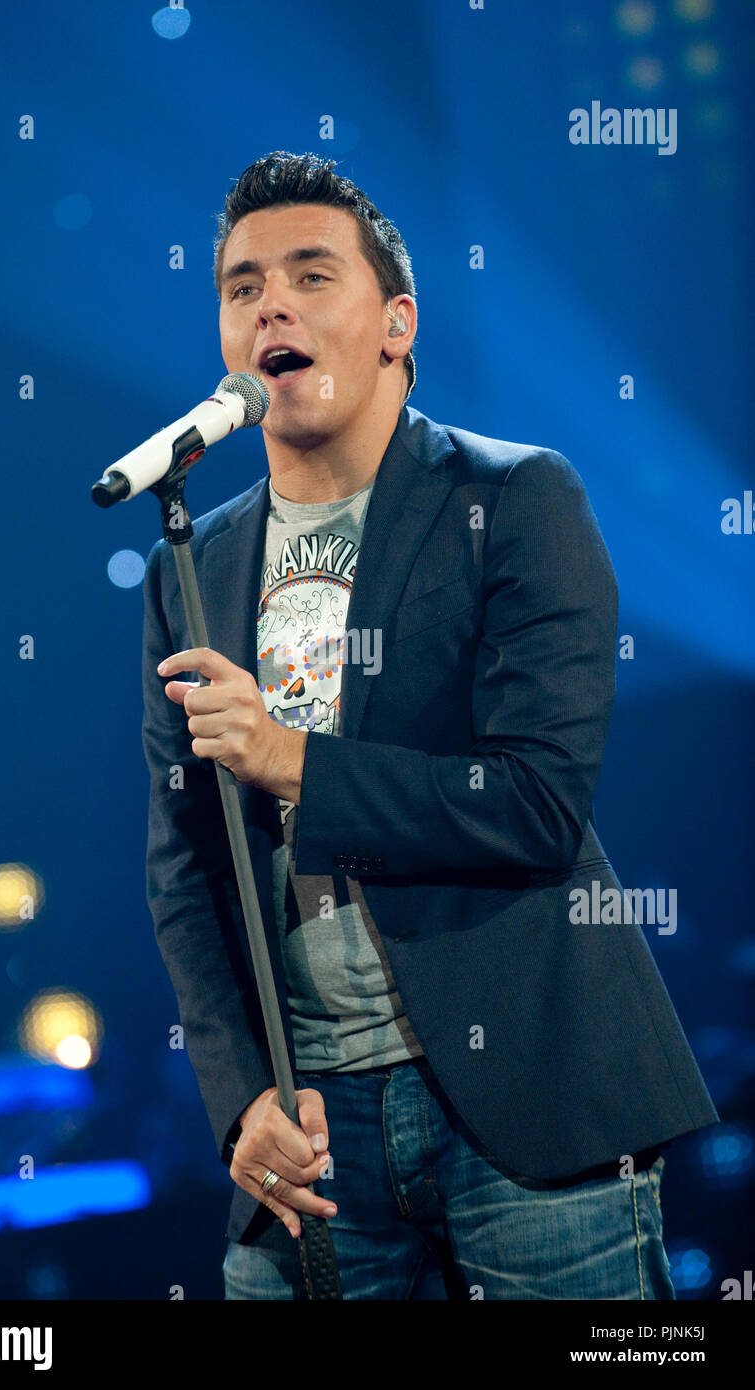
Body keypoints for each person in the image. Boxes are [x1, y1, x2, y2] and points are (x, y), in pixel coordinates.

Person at [140, 151, 719, 1300]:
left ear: (395, 322)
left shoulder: (513, 500)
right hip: (311, 1137)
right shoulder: (189, 564)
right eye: (242, 285)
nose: (271, 305)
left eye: (311, 276)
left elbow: (537, 805)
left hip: (529, 1106)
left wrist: (293, 758)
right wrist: (239, 1099)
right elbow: (182, 865)